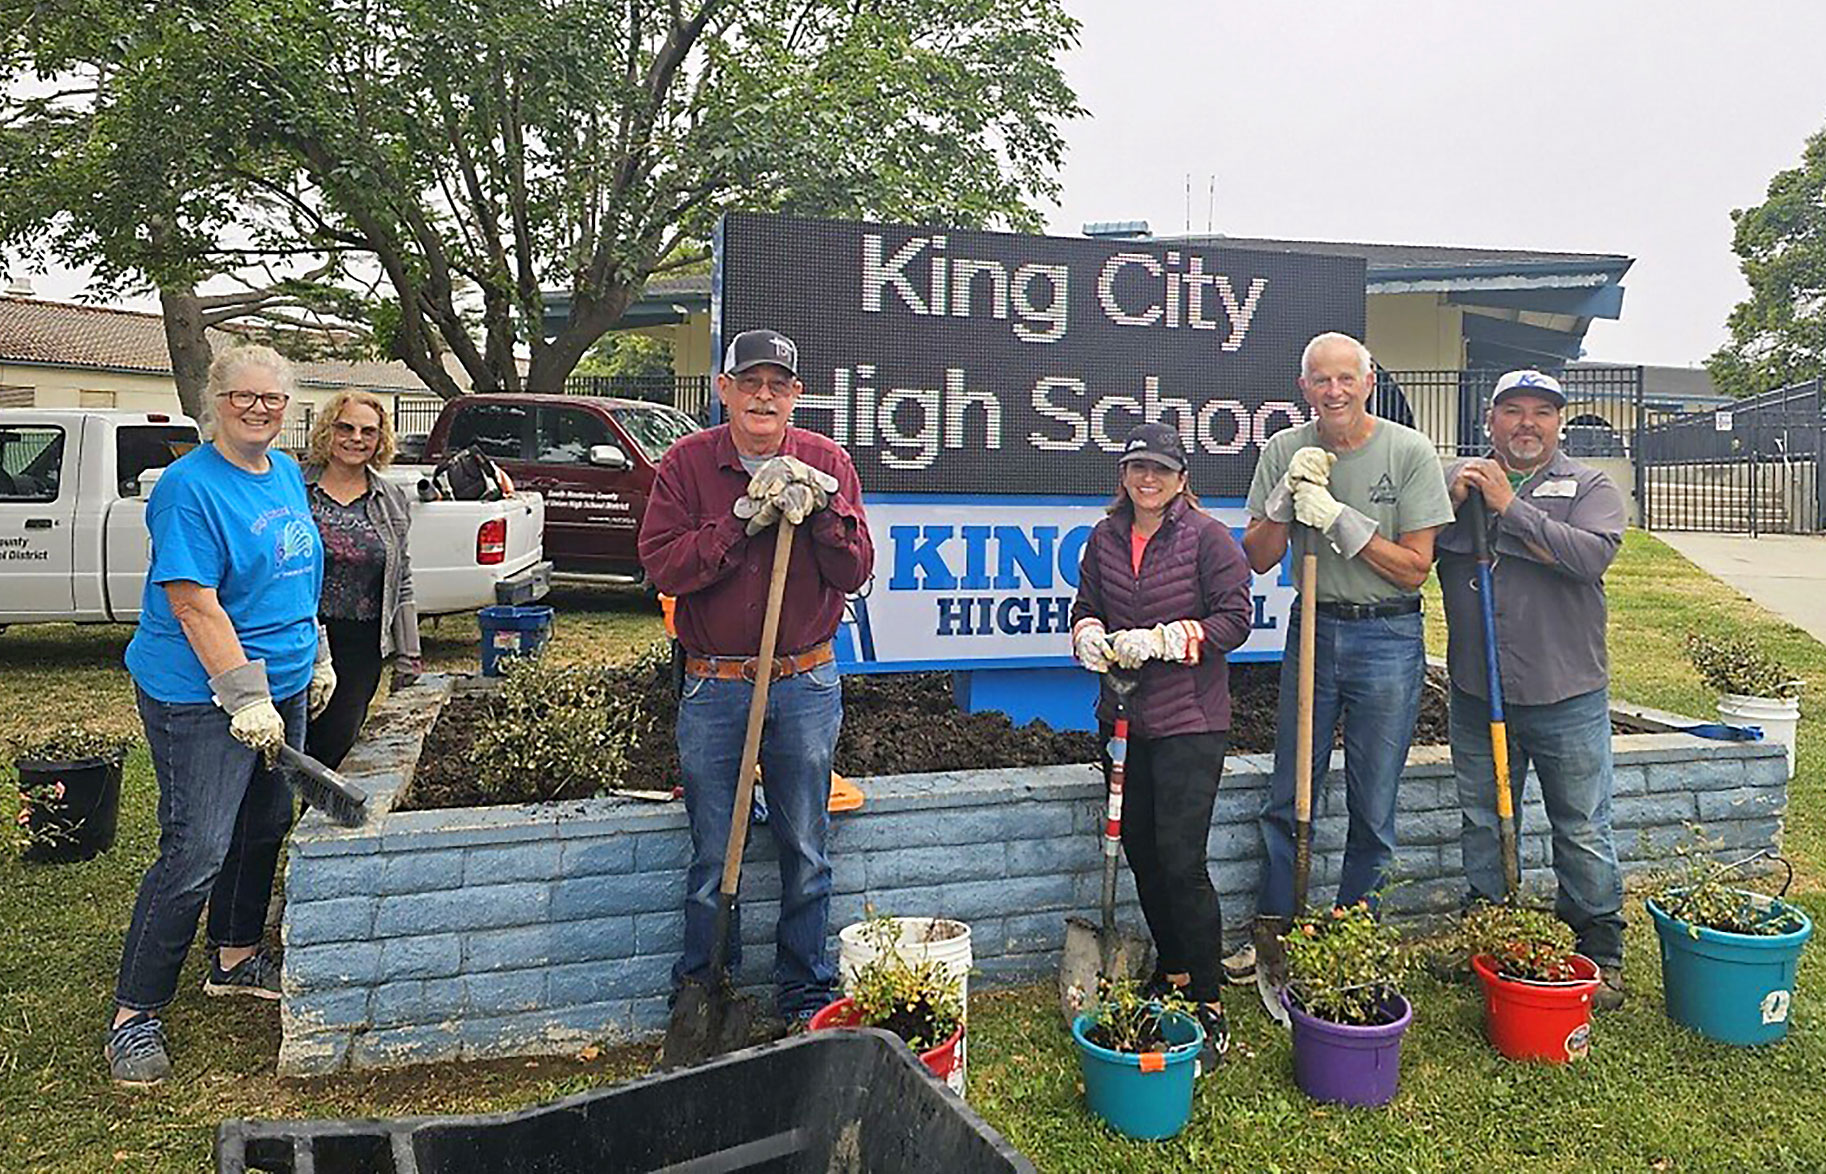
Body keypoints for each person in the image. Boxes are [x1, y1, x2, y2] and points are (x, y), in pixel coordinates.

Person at [106, 345, 334, 1085]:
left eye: (272, 398)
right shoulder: (188, 487)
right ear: (216, 402)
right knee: (196, 849)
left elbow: (299, 572)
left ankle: (234, 956)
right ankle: (134, 1015)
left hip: (286, 679)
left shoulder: (288, 472)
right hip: (199, 692)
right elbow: (193, 602)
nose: (259, 409)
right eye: (243, 397)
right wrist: (244, 695)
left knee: (266, 823)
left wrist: (318, 652)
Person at [637, 328, 873, 1027]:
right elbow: (663, 565)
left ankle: (804, 991)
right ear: (724, 390)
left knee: (806, 846)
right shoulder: (686, 467)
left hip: (804, 682)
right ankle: (706, 984)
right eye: (749, 382)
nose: (763, 396)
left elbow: (856, 571)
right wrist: (740, 523)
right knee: (715, 850)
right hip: (716, 686)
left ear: (796, 395)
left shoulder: (827, 462)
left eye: (778, 384)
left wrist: (823, 513)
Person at [1234, 331, 1454, 981]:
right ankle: (1277, 933)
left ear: (1368, 383)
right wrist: (1282, 503)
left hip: (1388, 637)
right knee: (1289, 790)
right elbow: (1257, 555)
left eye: (1345, 379)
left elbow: (1415, 569)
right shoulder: (1284, 449)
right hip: (1316, 628)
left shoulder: (1409, 452)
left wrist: (1336, 518)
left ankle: (1350, 937)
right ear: (1304, 387)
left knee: (1373, 803)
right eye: (1320, 380)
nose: (1334, 391)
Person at [1436, 369, 1628, 1008]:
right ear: (1489, 422)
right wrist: (1450, 507)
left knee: (1579, 824)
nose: (1526, 424)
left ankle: (1598, 946)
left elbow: (1589, 558)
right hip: (1475, 690)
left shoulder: (1591, 486)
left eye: (1540, 413)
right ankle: (1489, 935)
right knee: (1483, 820)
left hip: (1564, 692)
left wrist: (1509, 510)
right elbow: (1416, 553)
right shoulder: (1456, 488)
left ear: (1559, 422)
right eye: (1512, 411)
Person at [1069, 422, 1255, 1071]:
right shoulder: (1105, 538)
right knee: (1142, 854)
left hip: (1190, 722)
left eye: (1161, 470)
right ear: (1124, 475)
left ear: (1182, 479)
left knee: (1181, 860)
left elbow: (1236, 619)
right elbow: (1086, 602)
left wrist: (1174, 638)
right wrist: (1088, 632)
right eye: (1137, 468)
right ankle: (1171, 972)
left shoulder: (1208, 540)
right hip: (1123, 718)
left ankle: (1207, 999)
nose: (1148, 480)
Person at [302, 390, 424, 769]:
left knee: (335, 752)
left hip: (359, 647)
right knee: (285, 750)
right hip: (298, 637)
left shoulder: (390, 498)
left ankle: (318, 826)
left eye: (368, 431)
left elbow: (401, 578)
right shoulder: (293, 487)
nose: (357, 438)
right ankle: (266, 828)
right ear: (327, 431)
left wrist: (409, 655)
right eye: (346, 428)